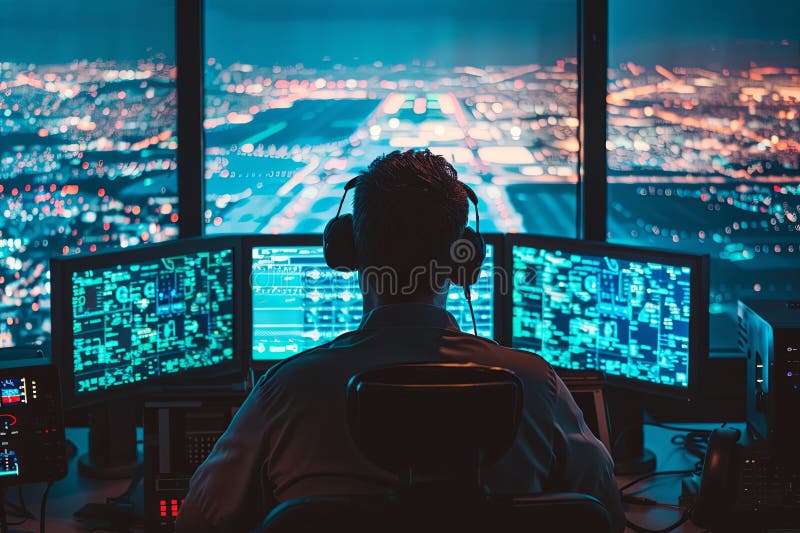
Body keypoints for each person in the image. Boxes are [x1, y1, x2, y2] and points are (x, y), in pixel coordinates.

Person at [175, 149, 625, 533]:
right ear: (463, 260)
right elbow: (603, 510)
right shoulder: (534, 383)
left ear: (348, 252)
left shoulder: (288, 389)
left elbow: (198, 520)